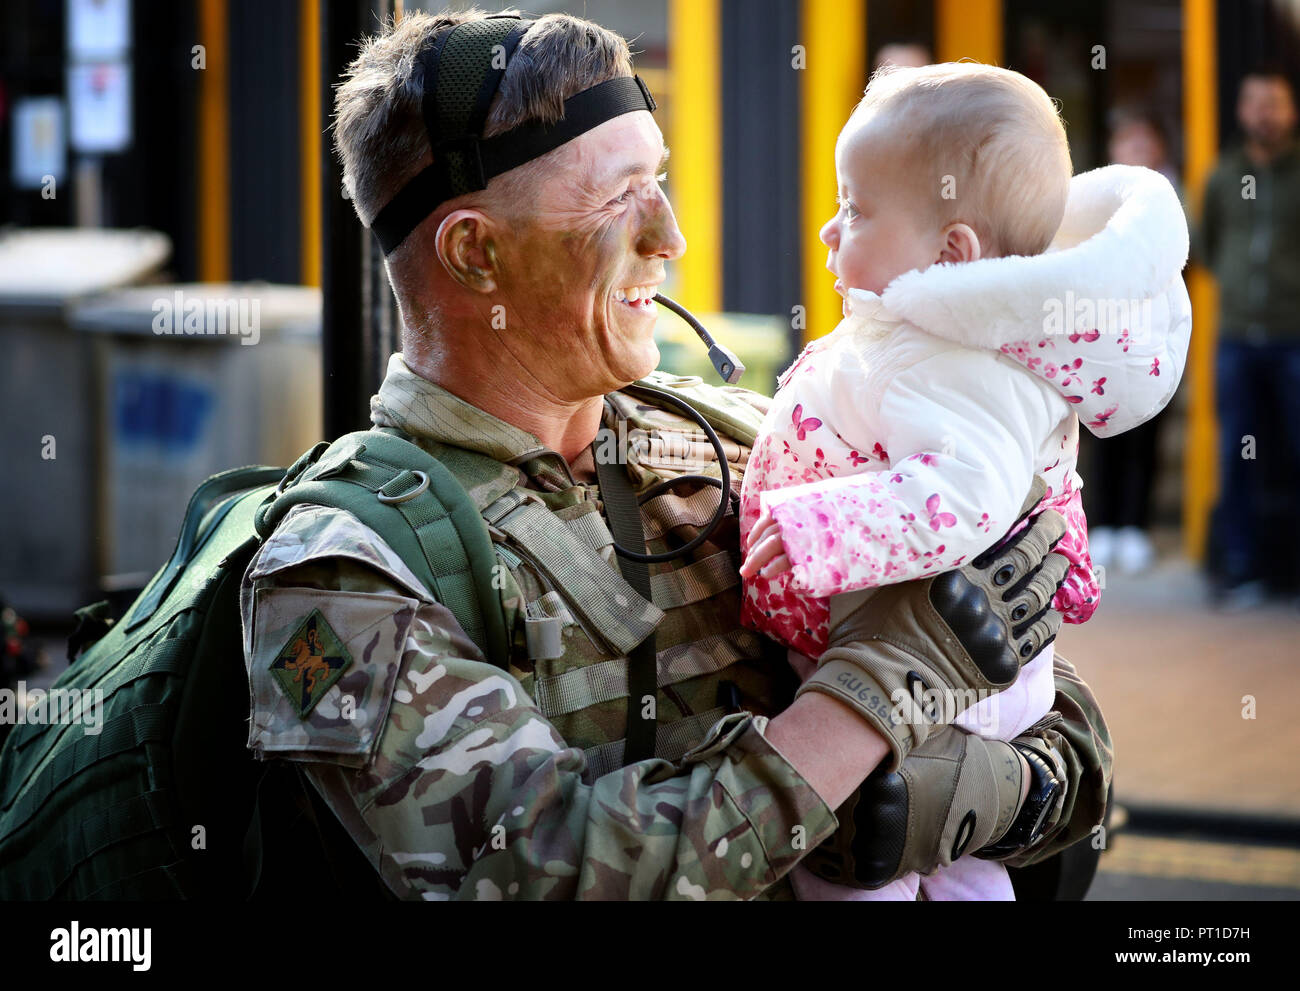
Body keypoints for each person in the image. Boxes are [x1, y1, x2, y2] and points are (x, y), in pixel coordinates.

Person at [241, 7, 1113, 900]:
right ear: (473, 252)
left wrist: (981, 797)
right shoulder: (345, 572)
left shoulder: (744, 440)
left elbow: (1056, 710)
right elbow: (554, 873)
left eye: (658, 182)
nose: (669, 236)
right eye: (620, 196)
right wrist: (876, 699)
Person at [739, 64, 1190, 899]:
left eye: (856, 210)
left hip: (939, 678)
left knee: (864, 865)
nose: (828, 233)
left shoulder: (954, 361)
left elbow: (965, 498)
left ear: (953, 251)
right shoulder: (945, 336)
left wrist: (816, 528)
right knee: (964, 875)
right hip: (955, 667)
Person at [1197, 66, 1300, 609]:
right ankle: (1240, 568)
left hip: (1294, 335)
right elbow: (1207, 244)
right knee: (1238, 453)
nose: (1265, 112)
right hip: (1237, 336)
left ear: (1291, 110)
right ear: (1241, 111)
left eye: (1275, 102)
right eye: (1255, 102)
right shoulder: (1223, 173)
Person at [1086, 107, 1183, 576]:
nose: (1136, 152)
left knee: (1147, 428)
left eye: (1145, 143)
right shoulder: (1096, 196)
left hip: (1153, 333)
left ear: (1160, 148)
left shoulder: (1172, 197)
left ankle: (1136, 527)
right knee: (1103, 428)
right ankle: (1103, 524)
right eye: (1128, 143)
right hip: (1104, 332)